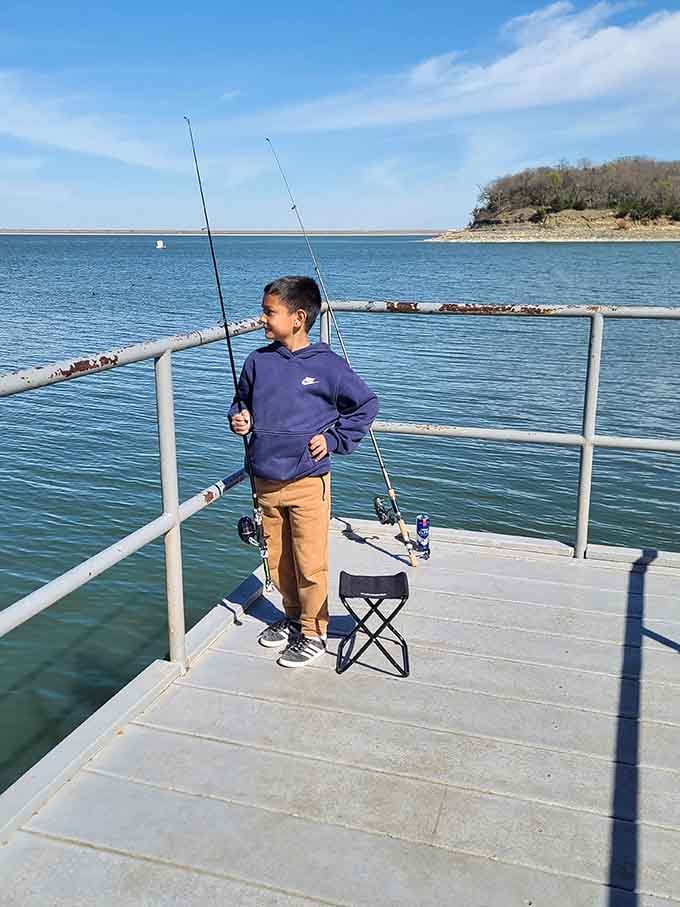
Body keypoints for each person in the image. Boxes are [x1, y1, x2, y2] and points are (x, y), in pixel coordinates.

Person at [229, 275, 378, 668]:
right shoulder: (257, 361)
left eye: (269, 312)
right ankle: (293, 615)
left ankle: (315, 630)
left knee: (310, 561)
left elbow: (364, 406)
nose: (262, 318)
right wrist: (239, 419)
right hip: (265, 479)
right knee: (277, 559)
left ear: (298, 317)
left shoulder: (329, 366)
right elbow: (240, 402)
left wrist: (333, 441)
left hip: (309, 481)